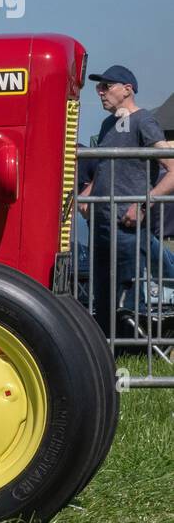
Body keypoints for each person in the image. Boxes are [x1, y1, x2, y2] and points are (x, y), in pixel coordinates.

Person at [76, 64, 174, 332]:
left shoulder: (144, 121)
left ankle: (133, 351)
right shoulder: (108, 123)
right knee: (103, 291)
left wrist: (143, 204)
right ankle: (107, 352)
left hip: (127, 225)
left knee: (125, 295)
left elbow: (172, 171)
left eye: (106, 86)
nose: (100, 92)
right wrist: (88, 193)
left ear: (127, 90)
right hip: (101, 222)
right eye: (98, 87)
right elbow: (105, 166)